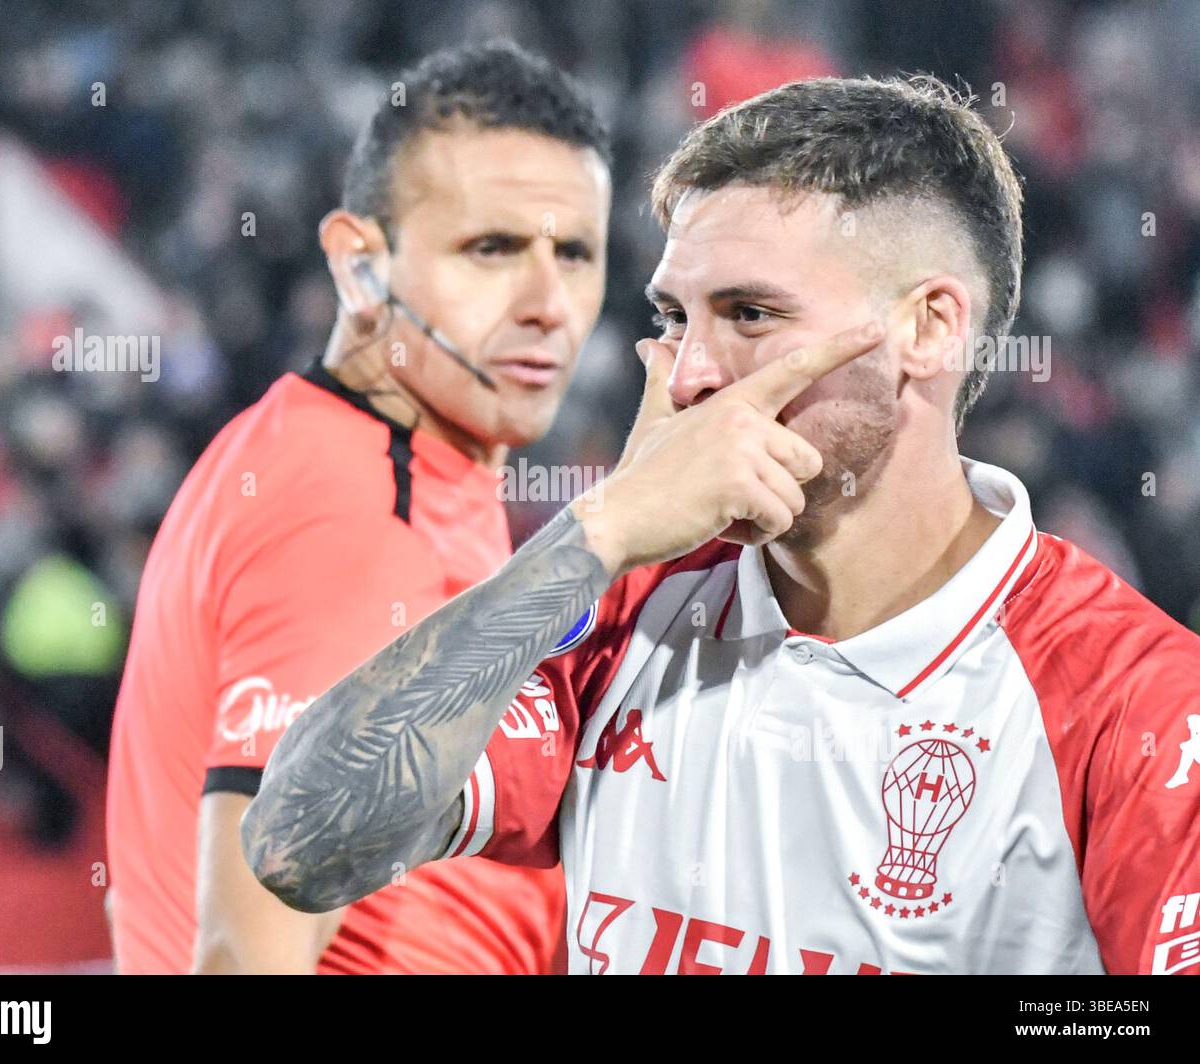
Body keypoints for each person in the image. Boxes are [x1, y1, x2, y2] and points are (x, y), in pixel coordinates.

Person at [243, 75, 1200, 975]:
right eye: (673, 316)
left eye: (749, 313)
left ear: (930, 328)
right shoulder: (617, 606)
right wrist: (598, 528)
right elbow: (300, 842)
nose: (691, 374)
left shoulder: (1134, 701)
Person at [106, 40, 612, 974]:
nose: (551, 303)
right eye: (493, 247)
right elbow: (242, 960)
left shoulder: (359, 462)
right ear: (359, 266)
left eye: (575, 252)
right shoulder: (347, 504)